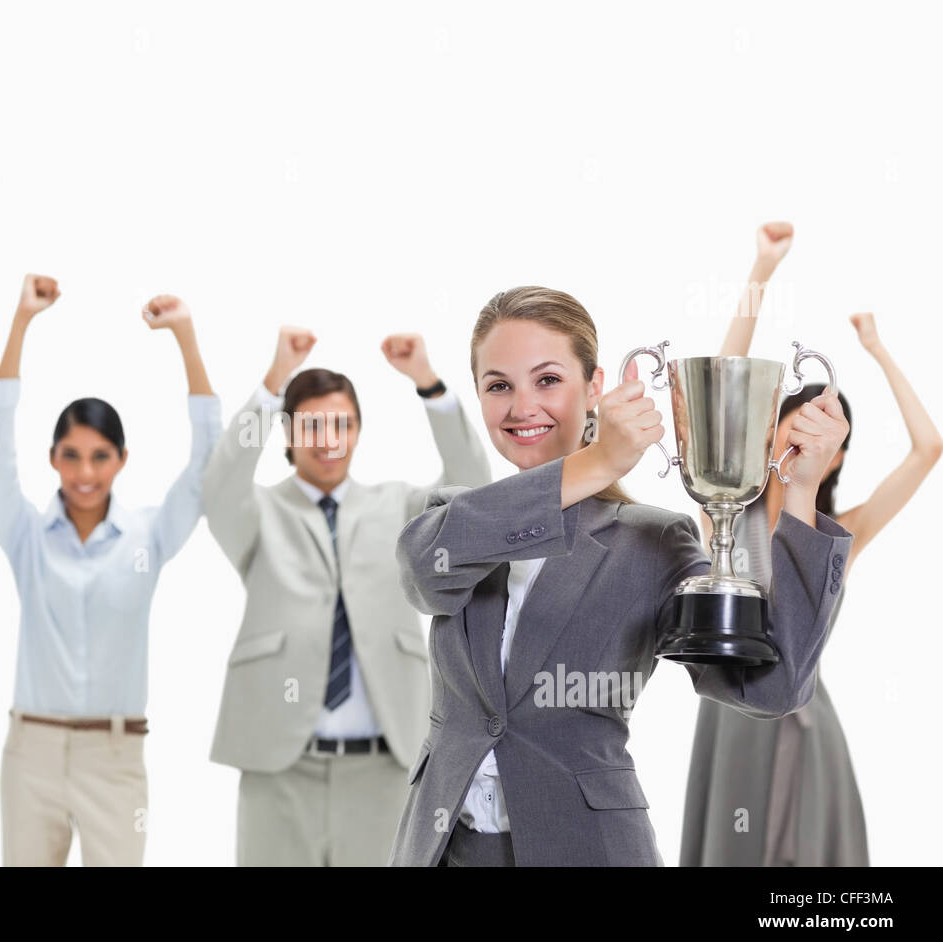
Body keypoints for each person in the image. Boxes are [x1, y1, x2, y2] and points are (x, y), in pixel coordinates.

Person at [389, 284, 853, 867]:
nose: (521, 405)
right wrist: (600, 460)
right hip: (441, 850)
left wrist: (804, 488)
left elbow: (770, 688)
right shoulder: (453, 517)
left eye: (548, 380)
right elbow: (422, 575)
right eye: (498, 385)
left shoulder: (652, 539)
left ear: (595, 389)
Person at [680, 223, 942, 866]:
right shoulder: (730, 506)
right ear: (768, 437)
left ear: (836, 456)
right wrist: (761, 270)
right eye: (793, 430)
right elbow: (721, 381)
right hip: (728, 719)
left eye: (823, 438)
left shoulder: (836, 539)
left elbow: (929, 449)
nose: (803, 445)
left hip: (800, 720)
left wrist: (878, 348)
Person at [202, 326, 491, 866]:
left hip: (386, 766)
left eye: (342, 423)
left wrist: (428, 384)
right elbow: (218, 484)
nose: (328, 437)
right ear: (287, 433)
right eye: (312, 425)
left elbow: (473, 487)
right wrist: (273, 381)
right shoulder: (257, 514)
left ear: (358, 431)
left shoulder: (400, 507)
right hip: (278, 768)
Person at [0, 278, 221, 866]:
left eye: (99, 455)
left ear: (121, 459)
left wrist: (185, 336)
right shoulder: (26, 536)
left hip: (114, 758)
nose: (84, 471)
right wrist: (20, 322)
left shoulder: (149, 535)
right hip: (30, 753)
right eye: (71, 455)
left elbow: (206, 462)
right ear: (53, 458)